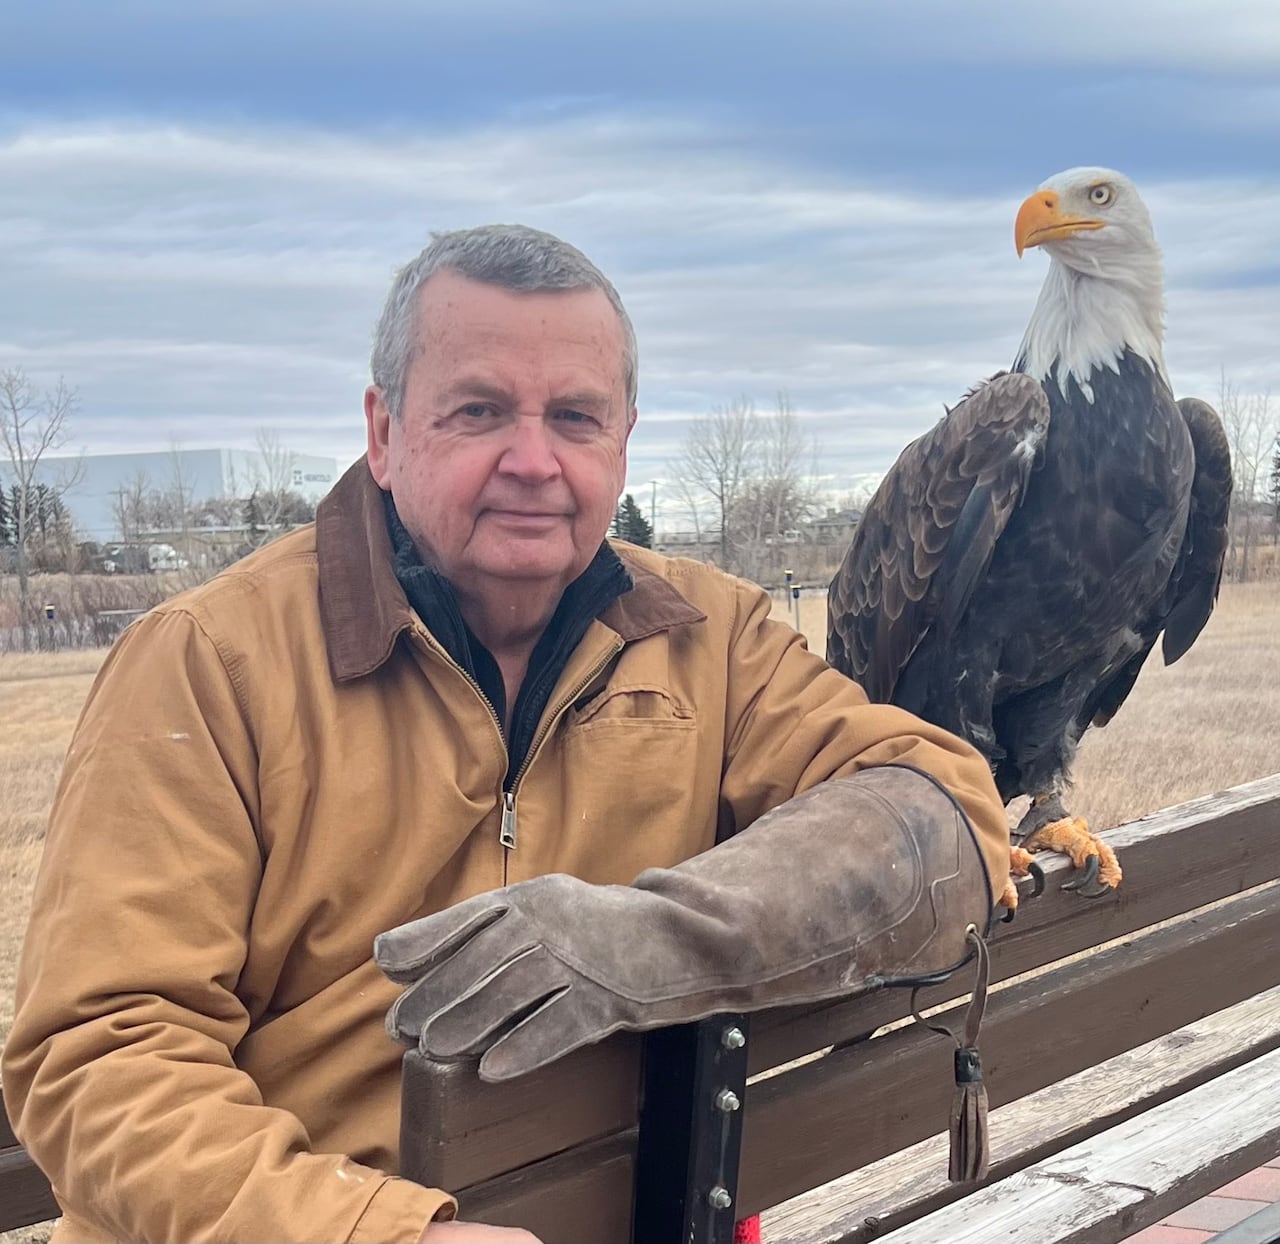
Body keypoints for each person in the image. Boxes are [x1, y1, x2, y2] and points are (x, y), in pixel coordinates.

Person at [3, 225, 1011, 1244]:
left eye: (574, 417)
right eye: (478, 411)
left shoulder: (713, 637)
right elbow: (98, 1055)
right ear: (383, 431)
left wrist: (646, 940)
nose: (532, 461)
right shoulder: (207, 661)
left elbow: (941, 811)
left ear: (622, 441)